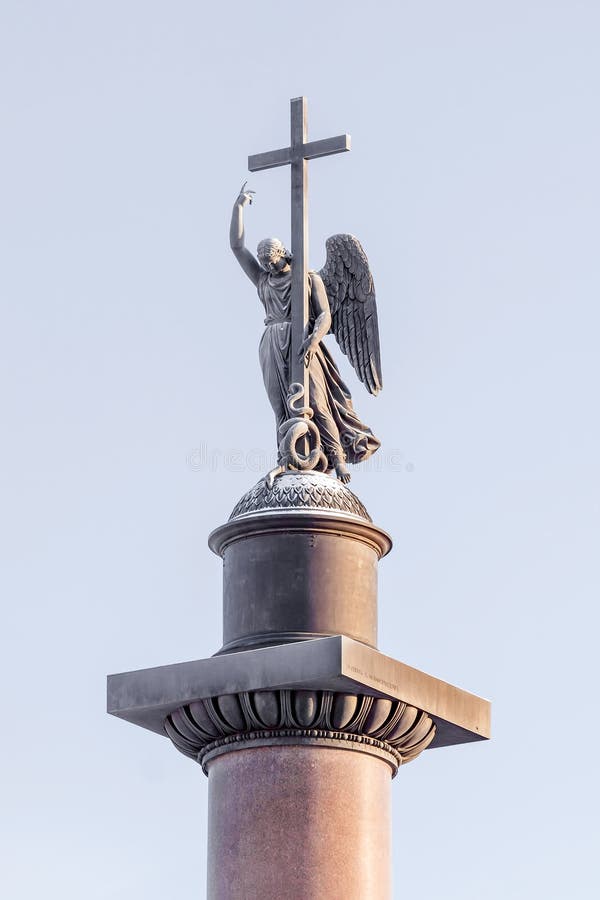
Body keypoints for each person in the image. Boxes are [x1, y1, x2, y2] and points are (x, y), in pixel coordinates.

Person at [229, 183, 380, 483]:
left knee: (316, 401)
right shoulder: (263, 280)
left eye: (270, 261)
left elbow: (325, 315)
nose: (266, 267)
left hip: (304, 342)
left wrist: (314, 338)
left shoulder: (308, 279)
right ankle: (287, 457)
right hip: (272, 342)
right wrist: (239, 208)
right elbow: (236, 247)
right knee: (280, 404)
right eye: (262, 263)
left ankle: (337, 459)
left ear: (281, 254)